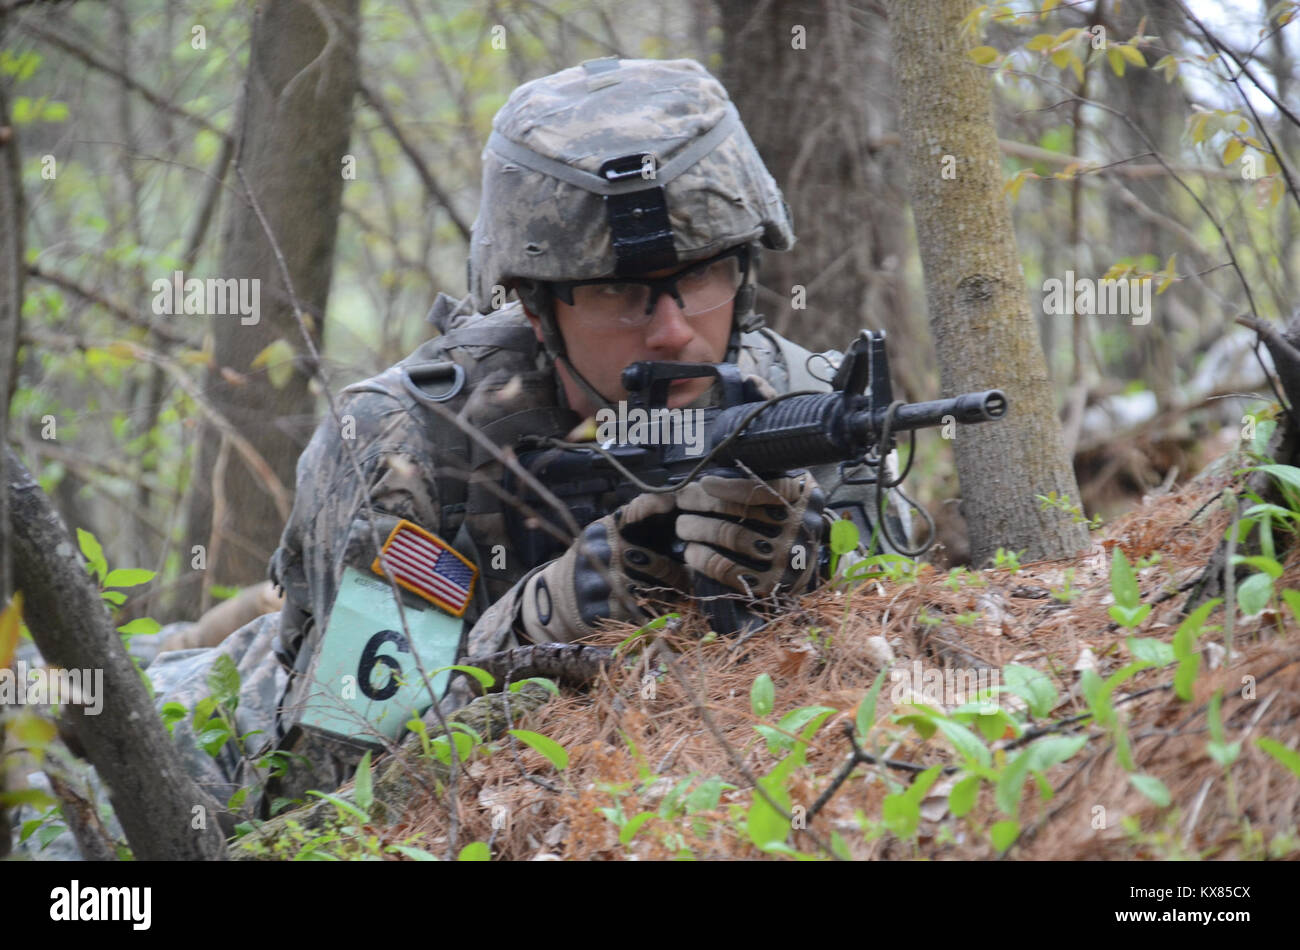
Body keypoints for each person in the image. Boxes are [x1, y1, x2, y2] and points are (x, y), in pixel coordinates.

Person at [144, 56, 915, 815]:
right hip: (218, 723)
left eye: (702, 274)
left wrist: (812, 566)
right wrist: (537, 623)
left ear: (744, 273)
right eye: (619, 291)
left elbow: (905, 664)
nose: (676, 330)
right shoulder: (413, 450)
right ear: (536, 306)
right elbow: (327, 786)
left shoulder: (811, 408)